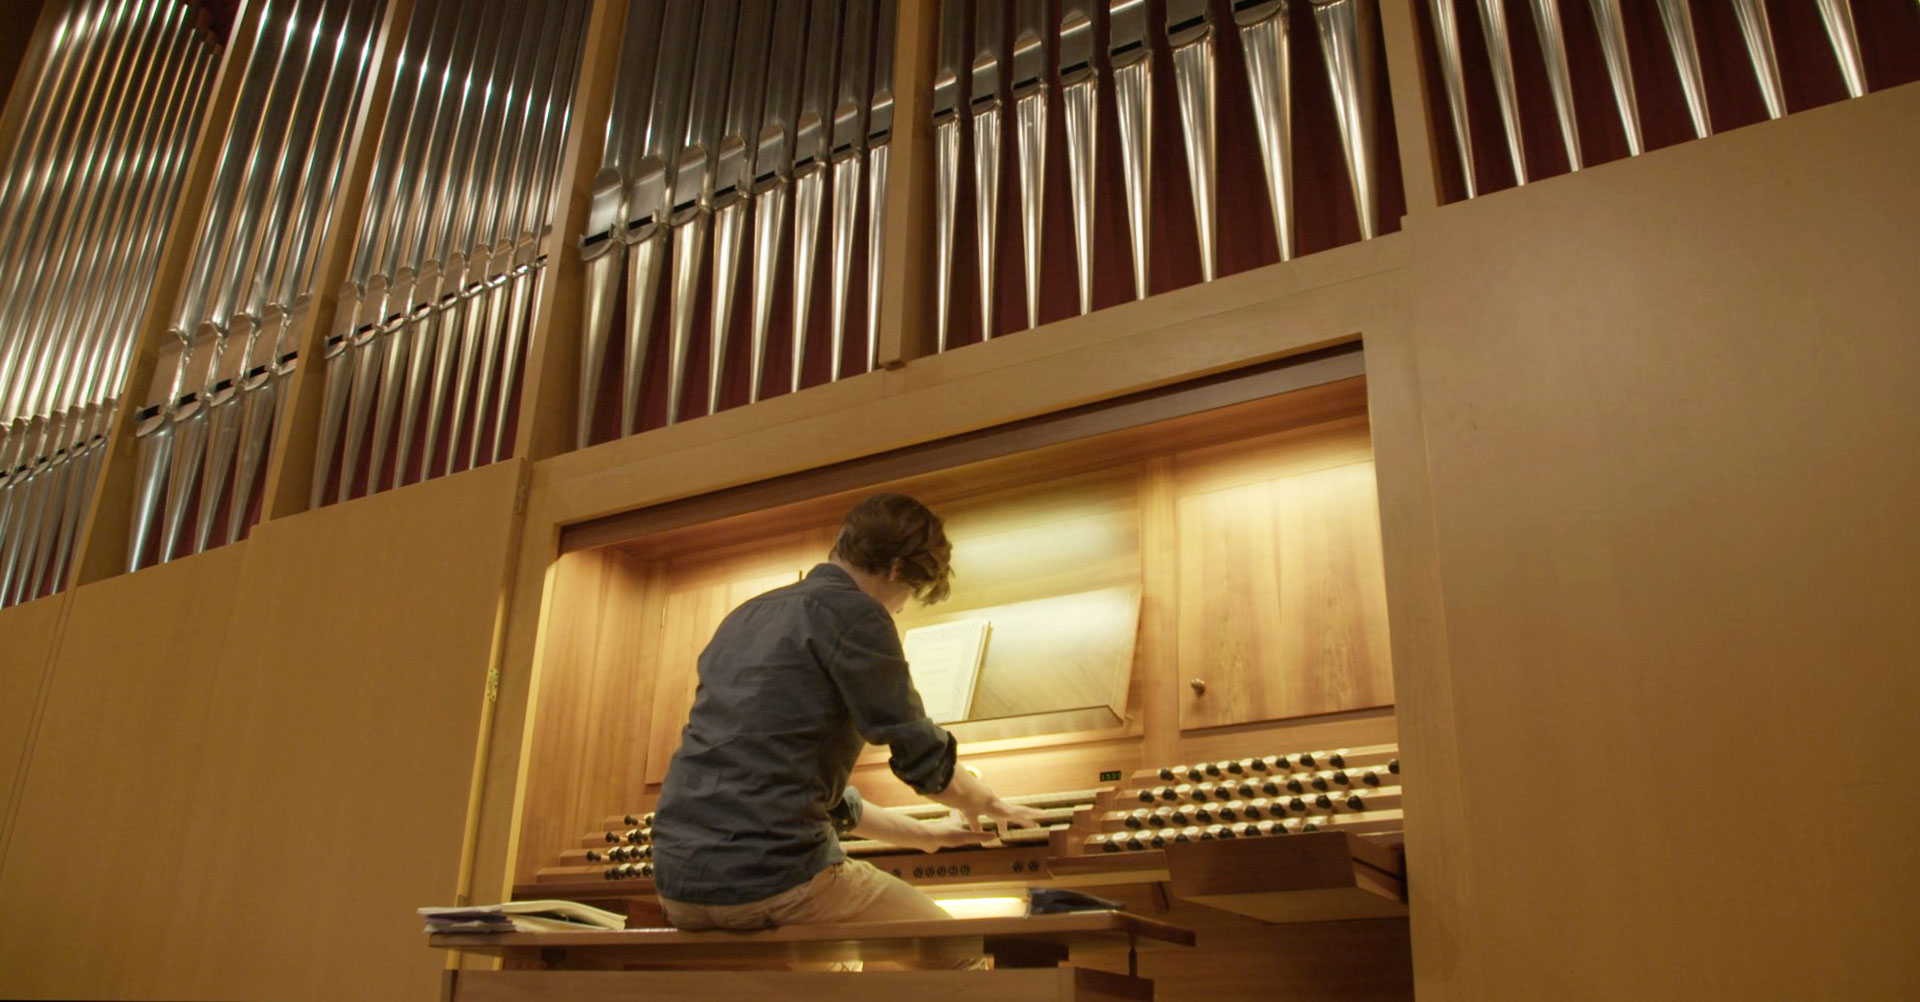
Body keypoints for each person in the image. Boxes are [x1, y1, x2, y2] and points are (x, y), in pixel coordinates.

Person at [650, 493, 1043, 932]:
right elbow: (922, 759)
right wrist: (984, 798)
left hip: (678, 882)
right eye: (909, 592)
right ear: (897, 568)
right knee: (960, 949)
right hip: (772, 879)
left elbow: (807, 796)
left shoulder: (747, 615)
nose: (900, 607)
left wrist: (925, 837)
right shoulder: (857, 614)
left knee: (839, 969)